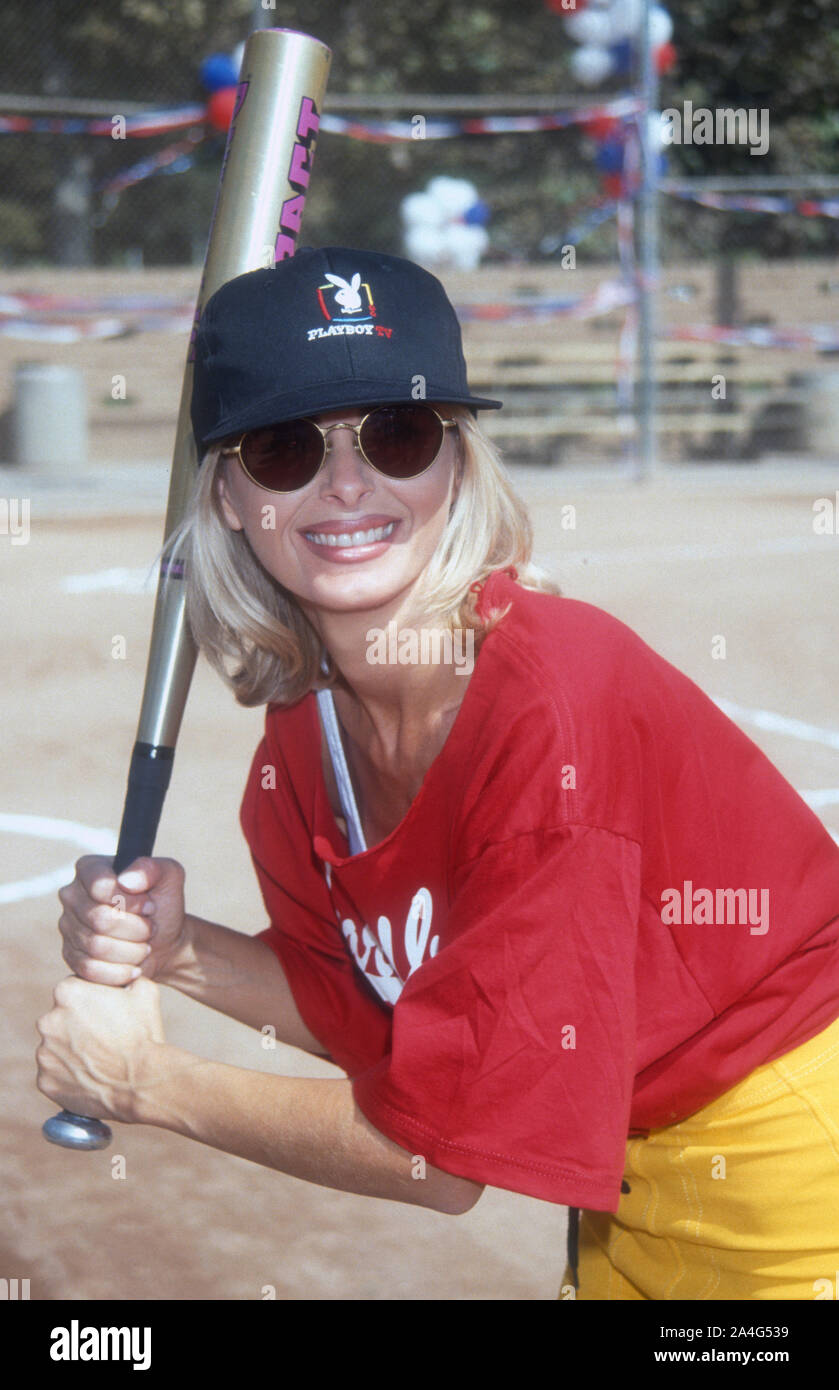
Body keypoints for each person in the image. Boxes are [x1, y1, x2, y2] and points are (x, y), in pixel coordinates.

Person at [37, 247, 839, 1300]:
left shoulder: (551, 701)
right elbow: (374, 1018)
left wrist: (149, 1082)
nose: (347, 482)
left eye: (396, 433)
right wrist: (180, 952)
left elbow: (446, 1151)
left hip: (797, 1170)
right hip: (628, 1195)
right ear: (228, 496)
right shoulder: (305, 737)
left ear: (454, 463)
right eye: (285, 448)